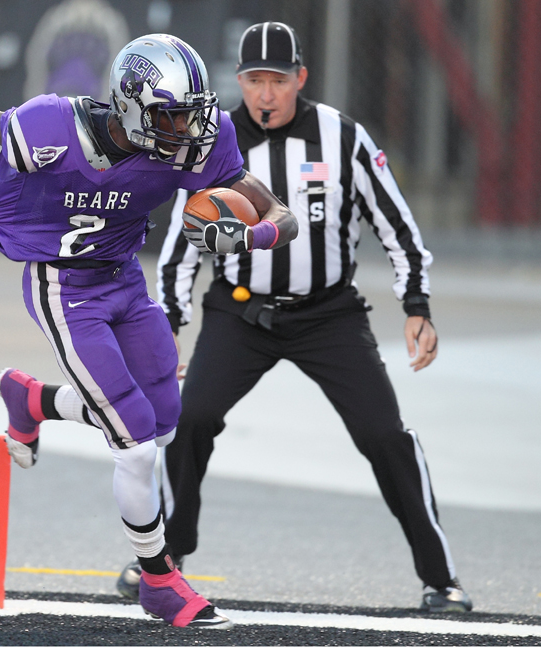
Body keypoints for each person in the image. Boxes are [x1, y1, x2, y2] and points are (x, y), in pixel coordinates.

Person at [0, 34, 298, 628]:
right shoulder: (48, 127)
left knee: (164, 421)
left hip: (124, 281)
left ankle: (34, 399)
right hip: (63, 288)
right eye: (172, 115)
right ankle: (158, 580)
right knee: (137, 444)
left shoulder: (196, 142)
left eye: (193, 115)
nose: (187, 130)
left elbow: (281, 214)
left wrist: (252, 236)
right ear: (129, 103)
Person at [113, 22, 472, 613]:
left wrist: (417, 306)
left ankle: (442, 577)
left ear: (300, 78)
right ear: (240, 82)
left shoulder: (343, 138)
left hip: (329, 314)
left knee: (385, 436)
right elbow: (181, 245)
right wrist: (167, 328)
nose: (265, 94)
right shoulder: (209, 141)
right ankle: (168, 556)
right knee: (187, 420)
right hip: (238, 314)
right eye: (254, 80)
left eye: (277, 80)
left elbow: (397, 225)